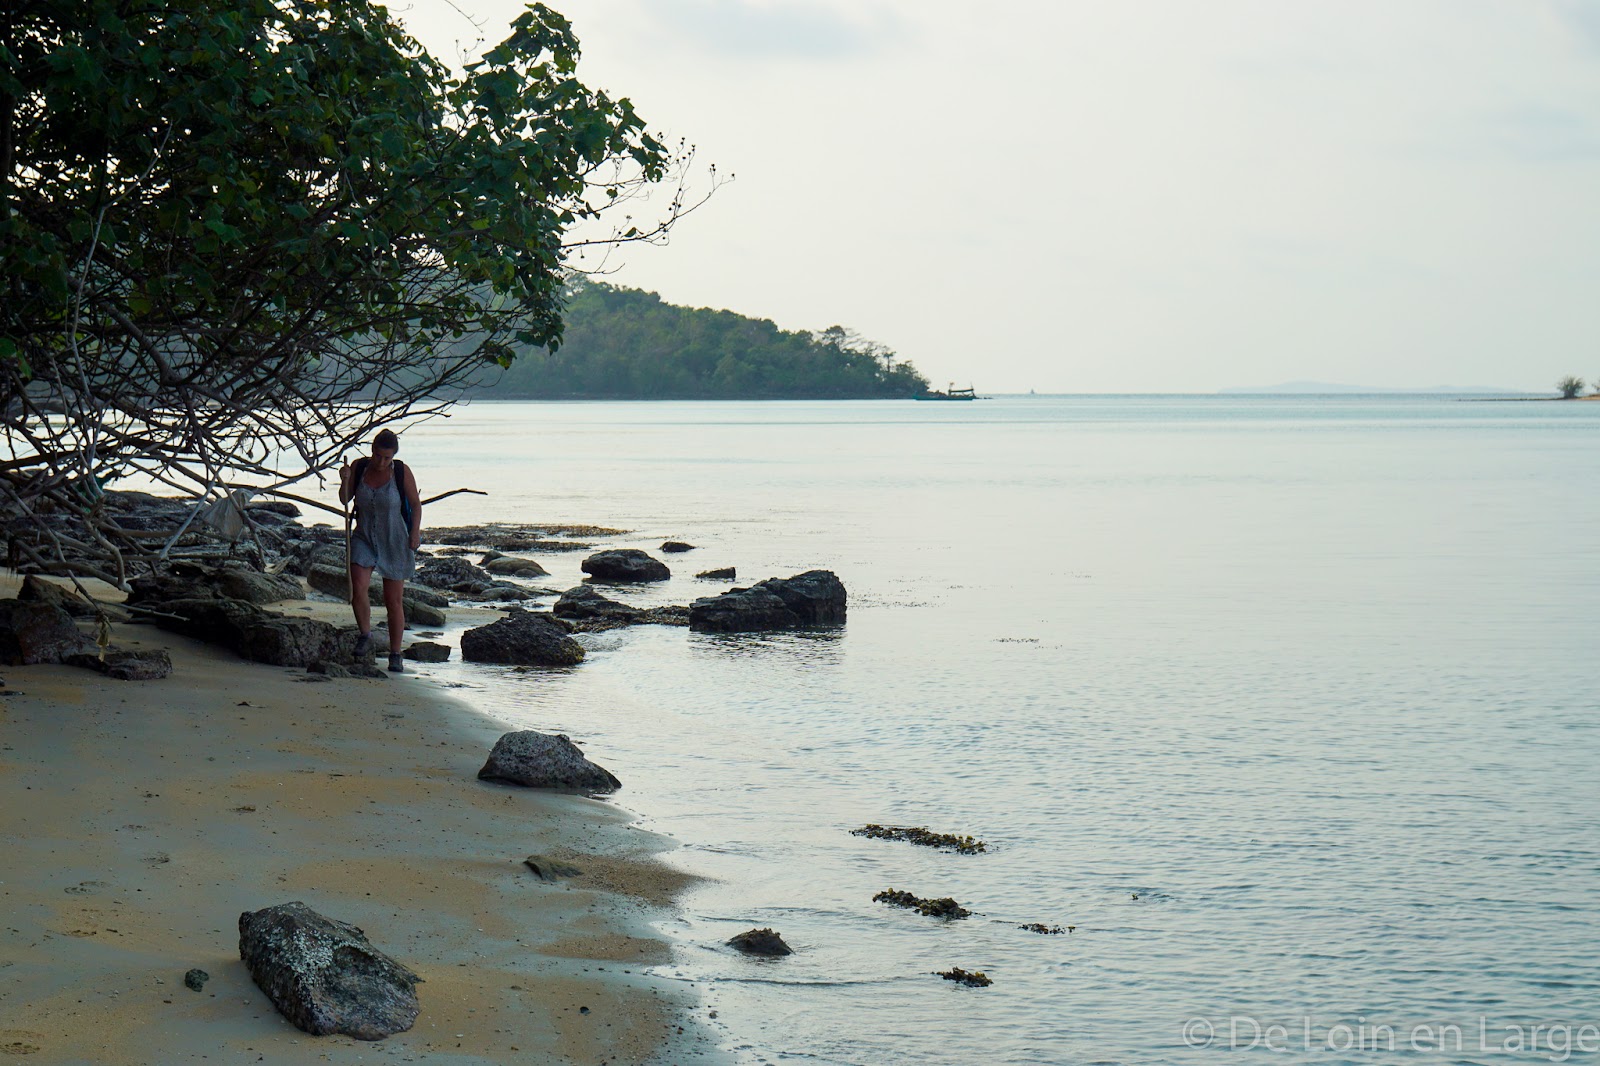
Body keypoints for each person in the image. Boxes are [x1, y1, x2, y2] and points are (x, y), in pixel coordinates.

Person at [339, 429, 423, 672]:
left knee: (393, 601)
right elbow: (345, 499)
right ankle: (365, 635)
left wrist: (415, 532)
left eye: (387, 458)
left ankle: (395, 654)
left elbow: (416, 505)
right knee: (358, 588)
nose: (381, 461)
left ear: (393, 456)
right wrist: (345, 478)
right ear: (372, 450)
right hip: (364, 536)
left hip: (394, 540)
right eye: (377, 455)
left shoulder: (401, 472)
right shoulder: (359, 467)